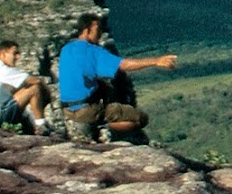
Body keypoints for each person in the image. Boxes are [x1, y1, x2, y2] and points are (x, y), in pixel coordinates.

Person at [58, 12, 178, 140]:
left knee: (102, 86)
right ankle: (104, 128)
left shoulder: (66, 49)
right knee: (141, 118)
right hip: (87, 111)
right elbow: (123, 65)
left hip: (67, 109)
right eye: (97, 30)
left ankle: (98, 120)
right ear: (87, 30)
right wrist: (155, 61)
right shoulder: (93, 51)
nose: (100, 34)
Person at [0, 41, 52, 133]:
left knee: (22, 92)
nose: (18, 57)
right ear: (3, 54)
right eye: (15, 53)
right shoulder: (2, 69)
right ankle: (41, 125)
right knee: (34, 89)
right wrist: (47, 95)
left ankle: (28, 124)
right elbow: (35, 81)